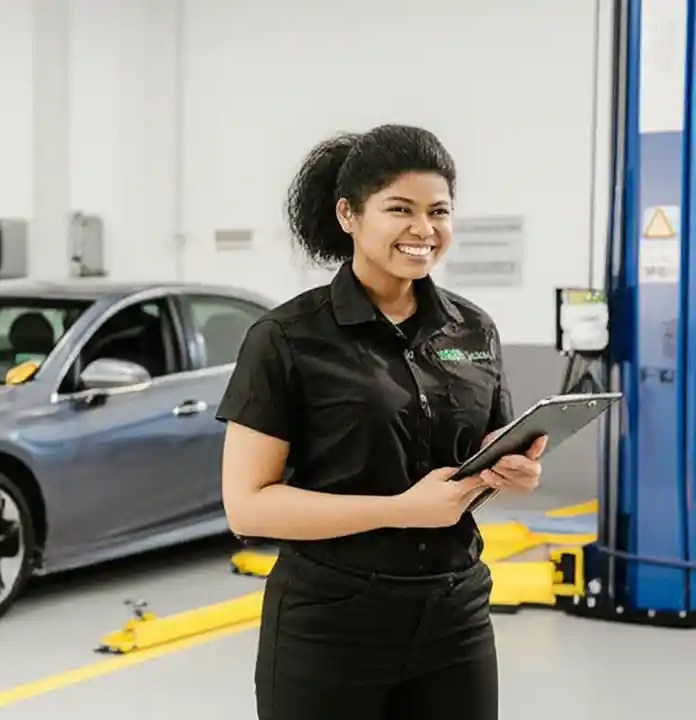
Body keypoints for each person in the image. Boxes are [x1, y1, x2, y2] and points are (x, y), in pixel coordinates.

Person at [216, 124, 547, 720]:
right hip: (331, 624)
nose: (424, 230)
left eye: (439, 211)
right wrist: (400, 510)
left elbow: (461, 475)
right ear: (348, 215)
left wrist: (501, 467)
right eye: (400, 209)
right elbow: (248, 506)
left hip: (455, 617)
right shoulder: (286, 338)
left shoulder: (474, 330)